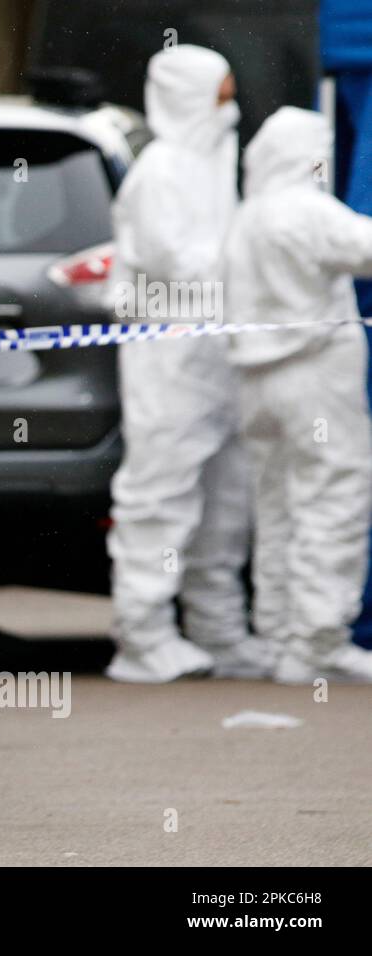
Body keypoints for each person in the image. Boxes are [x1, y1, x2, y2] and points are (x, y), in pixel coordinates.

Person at [105, 44, 272, 683]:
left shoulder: (210, 165)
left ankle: (219, 629)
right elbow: (178, 261)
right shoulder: (163, 170)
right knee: (162, 491)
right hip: (169, 358)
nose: (230, 104)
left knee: (225, 499)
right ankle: (143, 636)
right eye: (222, 91)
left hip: (219, 353)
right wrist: (252, 260)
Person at [222, 106, 372, 683]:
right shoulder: (306, 209)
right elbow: (362, 248)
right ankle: (319, 645)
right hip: (314, 376)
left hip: (256, 381)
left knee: (277, 507)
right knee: (331, 501)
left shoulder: (247, 215)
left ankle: (282, 635)